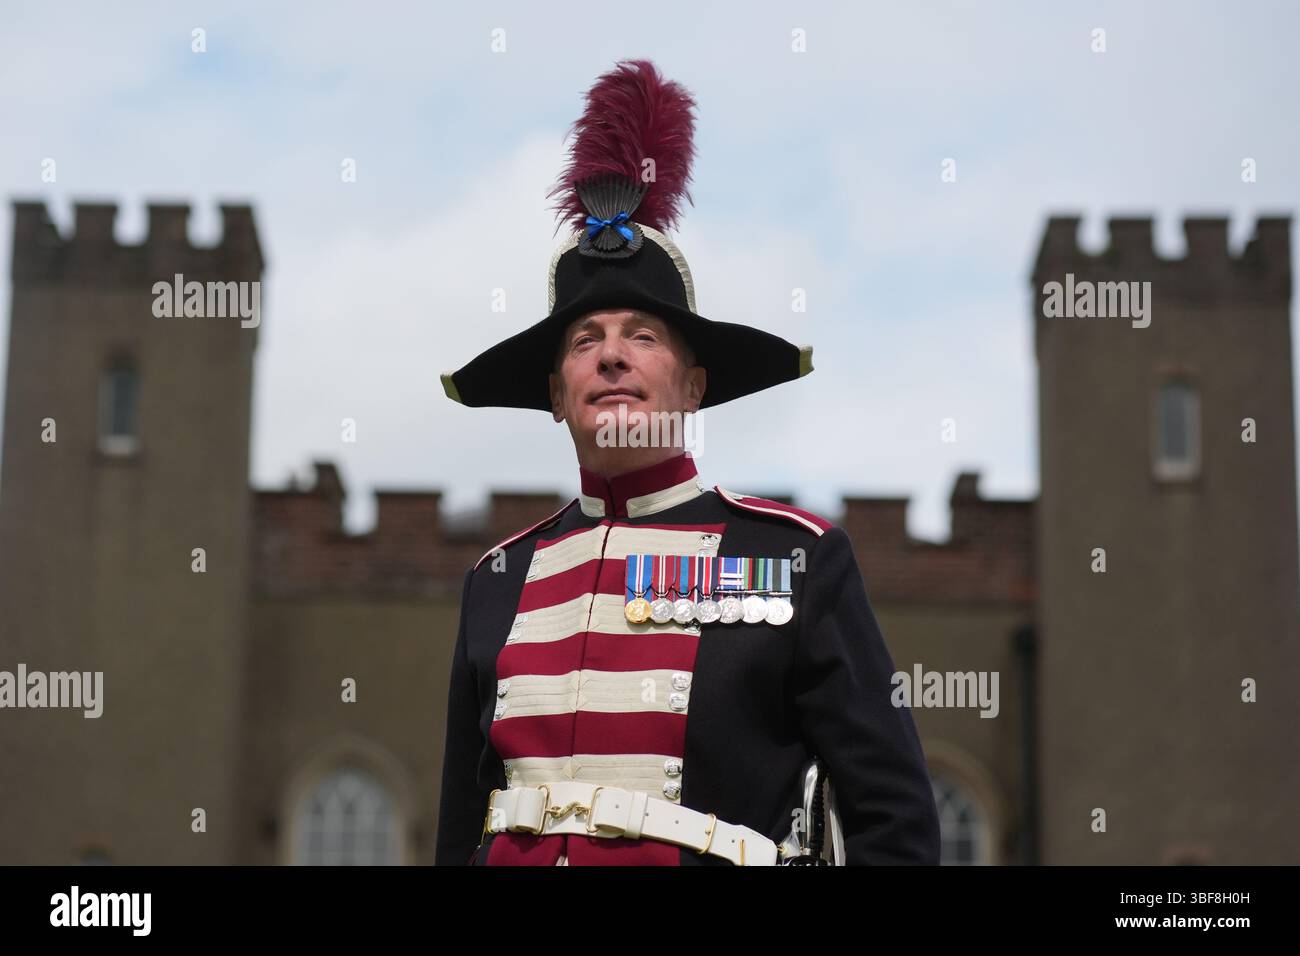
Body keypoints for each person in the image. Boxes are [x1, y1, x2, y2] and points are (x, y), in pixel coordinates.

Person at [434, 59, 939, 866]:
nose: (610, 358)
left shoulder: (795, 558)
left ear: (694, 386)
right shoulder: (497, 578)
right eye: (584, 341)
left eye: (642, 336)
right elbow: (461, 833)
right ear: (557, 395)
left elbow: (898, 826)